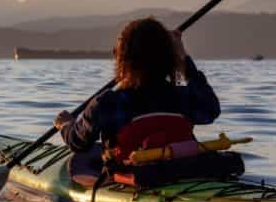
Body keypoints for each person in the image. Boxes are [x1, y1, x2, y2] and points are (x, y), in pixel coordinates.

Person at [53, 18, 220, 162]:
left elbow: (79, 142)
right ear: (170, 58)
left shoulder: (107, 103)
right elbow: (209, 111)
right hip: (180, 169)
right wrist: (181, 59)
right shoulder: (181, 95)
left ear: (122, 59)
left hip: (132, 176)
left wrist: (66, 125)